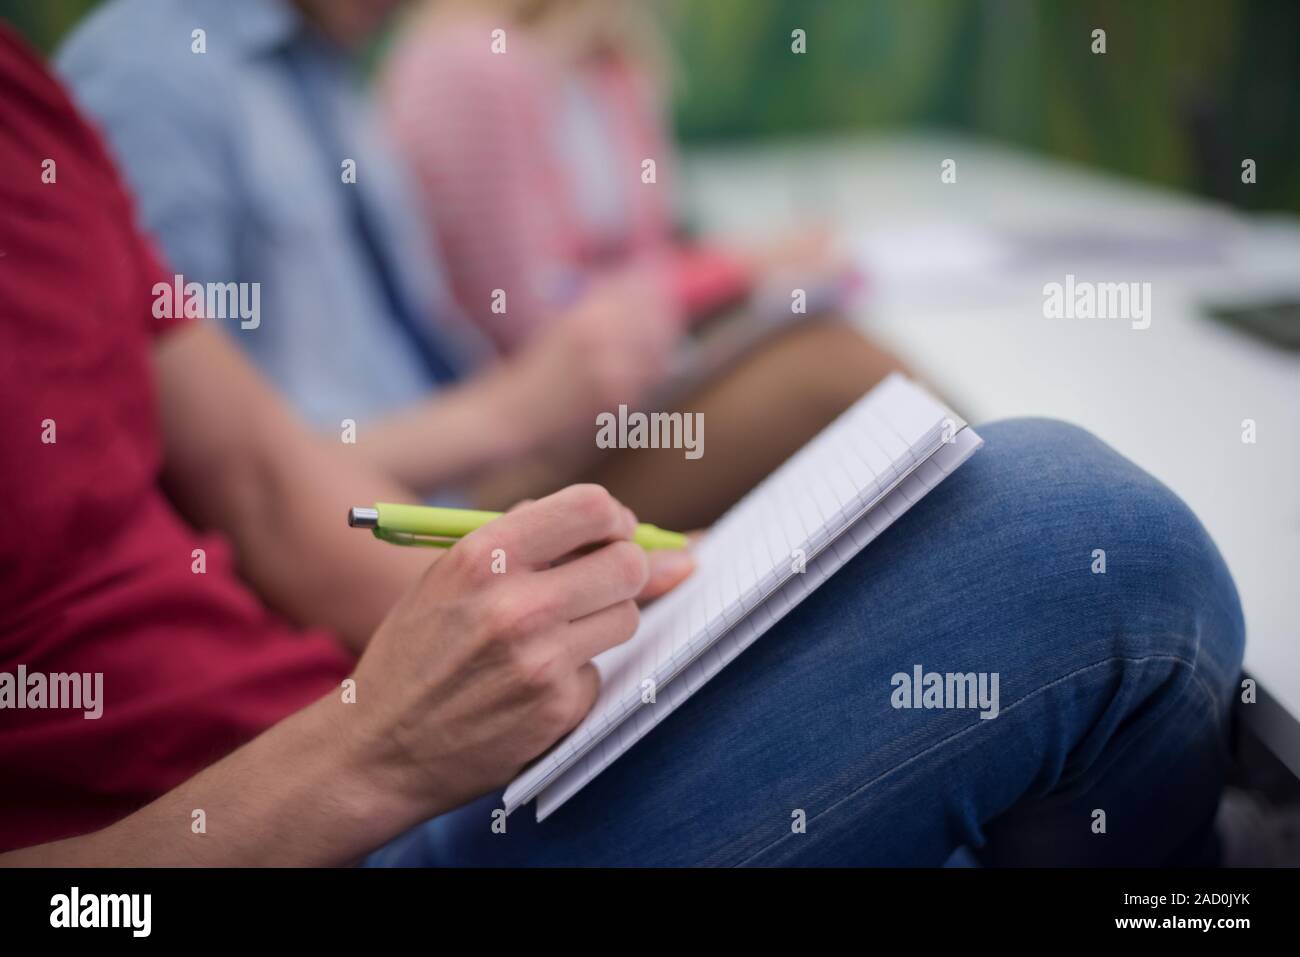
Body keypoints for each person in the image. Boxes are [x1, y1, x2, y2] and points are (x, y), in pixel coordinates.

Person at [1, 27, 1245, 866]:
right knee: (1084, 538)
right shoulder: (173, 74)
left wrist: (680, 599)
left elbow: (272, 487)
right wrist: (371, 746)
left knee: (951, 512)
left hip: (363, 708)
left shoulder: (37, 98)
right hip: (312, 808)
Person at [55, 0, 903, 531]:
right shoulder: (154, 79)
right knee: (830, 380)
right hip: (392, 523)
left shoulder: (325, 72)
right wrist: (516, 406)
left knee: (833, 388)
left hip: (473, 469)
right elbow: (199, 478)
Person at [381, 0, 838, 353]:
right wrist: (735, 271)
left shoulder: (615, 70)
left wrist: (745, 273)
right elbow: (532, 316)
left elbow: (645, 261)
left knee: (822, 342)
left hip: (629, 376)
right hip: (542, 419)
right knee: (826, 369)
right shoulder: (468, 66)